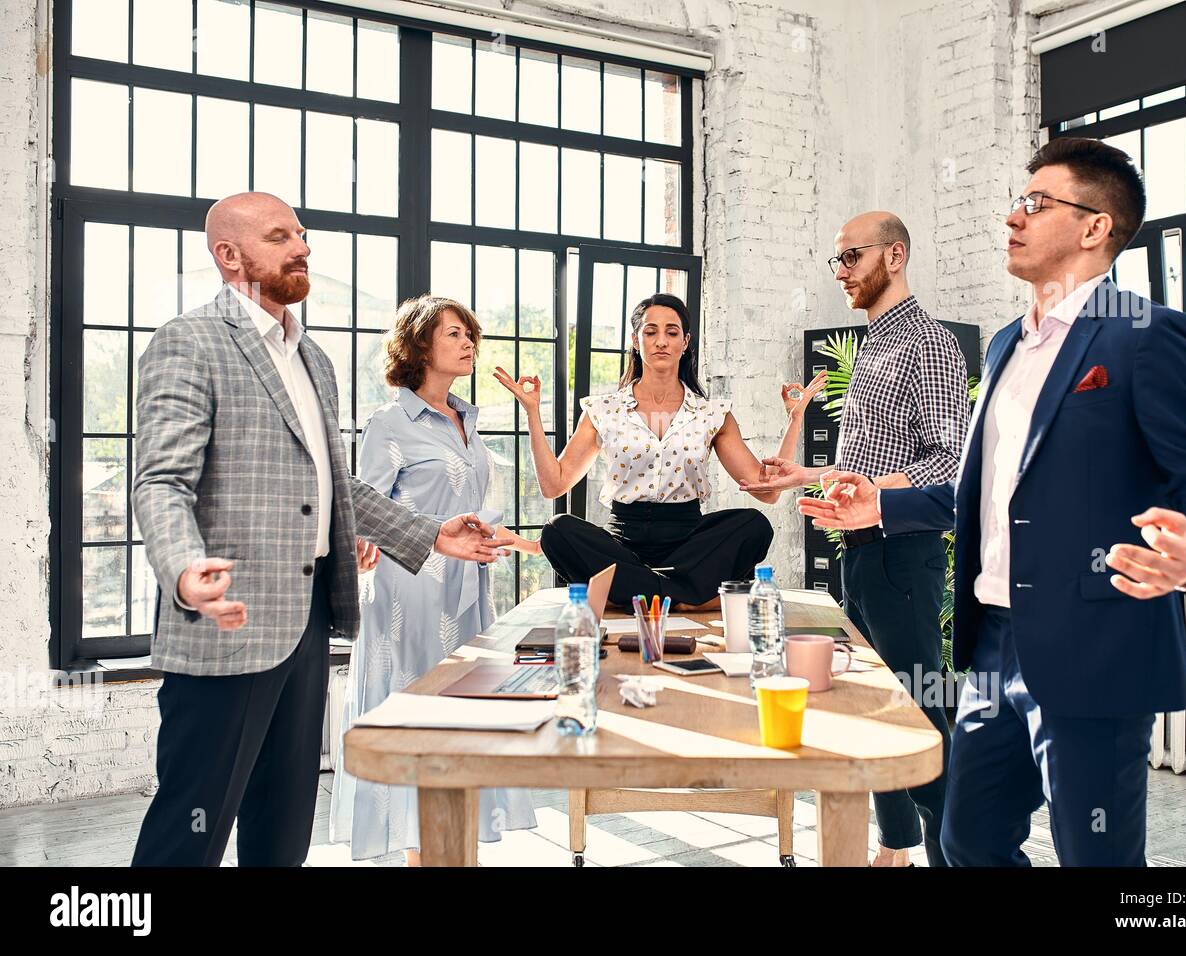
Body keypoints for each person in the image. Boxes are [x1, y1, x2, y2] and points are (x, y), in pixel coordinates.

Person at [798, 138, 1186, 866]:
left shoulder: (1148, 337)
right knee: (968, 840)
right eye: (1018, 199)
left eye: (1036, 203)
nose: (1014, 215)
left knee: (1094, 857)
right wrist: (878, 510)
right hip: (995, 647)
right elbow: (982, 493)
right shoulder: (1007, 344)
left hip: (1096, 649)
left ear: (1095, 227)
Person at [130, 192, 503, 867]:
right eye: (280, 237)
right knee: (189, 833)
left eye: (301, 234)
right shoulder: (189, 342)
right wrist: (185, 567)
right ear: (229, 255)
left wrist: (429, 534)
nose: (302, 247)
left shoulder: (314, 361)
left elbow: (336, 488)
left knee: (282, 829)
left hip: (306, 625)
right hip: (226, 628)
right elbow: (161, 482)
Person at [741, 212, 968, 868]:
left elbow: (950, 461)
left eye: (852, 257)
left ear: (895, 255)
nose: (840, 271)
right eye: (836, 260)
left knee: (918, 719)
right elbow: (874, 465)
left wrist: (870, 496)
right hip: (863, 556)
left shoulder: (927, 343)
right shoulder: (874, 342)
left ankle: (962, 854)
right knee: (874, 707)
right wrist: (809, 474)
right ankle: (895, 847)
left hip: (905, 557)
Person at [329, 295, 539, 865]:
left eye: (471, 334)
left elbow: (473, 501)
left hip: (470, 592)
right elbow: (362, 505)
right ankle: (417, 853)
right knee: (420, 719)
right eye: (454, 334)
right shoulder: (388, 423)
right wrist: (360, 545)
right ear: (420, 344)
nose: (469, 343)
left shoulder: (467, 417)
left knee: (465, 720)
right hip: (410, 596)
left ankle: (459, 848)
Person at [494, 293, 823, 610]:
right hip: (623, 542)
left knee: (753, 525)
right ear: (636, 342)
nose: (661, 341)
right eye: (650, 332)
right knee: (557, 530)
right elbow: (555, 485)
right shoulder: (603, 410)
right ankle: (683, 596)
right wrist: (532, 414)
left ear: (685, 341)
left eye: (672, 332)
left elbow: (766, 491)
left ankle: (632, 593)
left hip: (688, 544)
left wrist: (795, 419)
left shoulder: (712, 414)